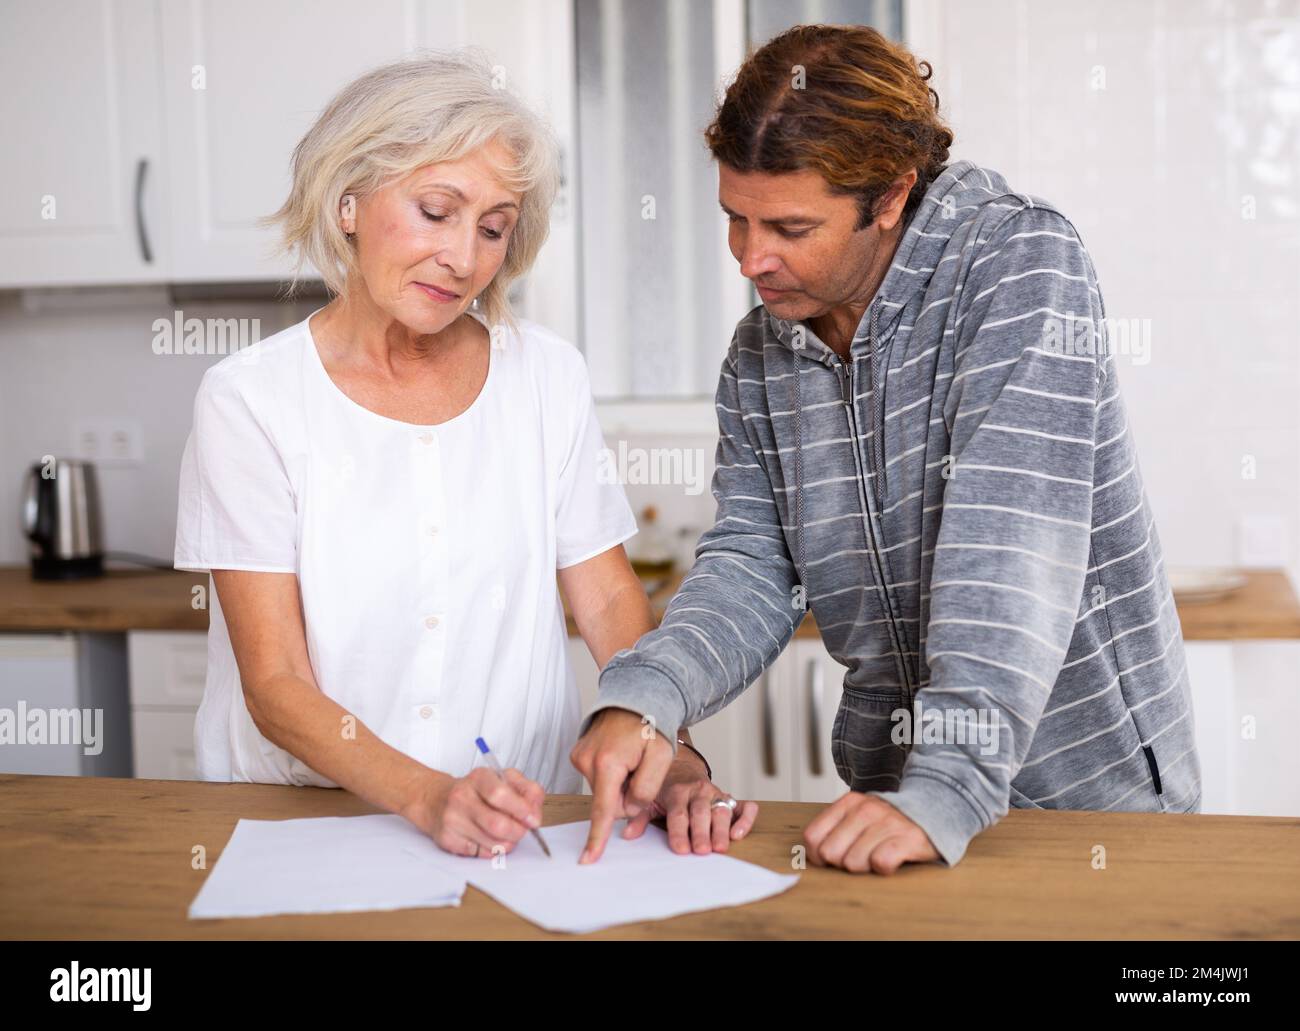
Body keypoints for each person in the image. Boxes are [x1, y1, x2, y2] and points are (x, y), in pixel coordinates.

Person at [572, 24, 1200, 872]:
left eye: (791, 226)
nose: (753, 258)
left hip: (1085, 800)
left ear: (892, 195)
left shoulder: (1016, 263)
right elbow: (753, 565)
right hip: (895, 804)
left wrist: (949, 784)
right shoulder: (762, 352)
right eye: (735, 219)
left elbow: (1008, 545)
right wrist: (647, 693)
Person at [174, 50, 757, 860]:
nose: (464, 256)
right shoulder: (249, 399)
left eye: (492, 228)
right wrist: (428, 795)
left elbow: (607, 600)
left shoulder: (545, 373)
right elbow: (275, 686)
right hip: (303, 825)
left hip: (518, 825)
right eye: (436, 210)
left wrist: (674, 747)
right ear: (347, 202)